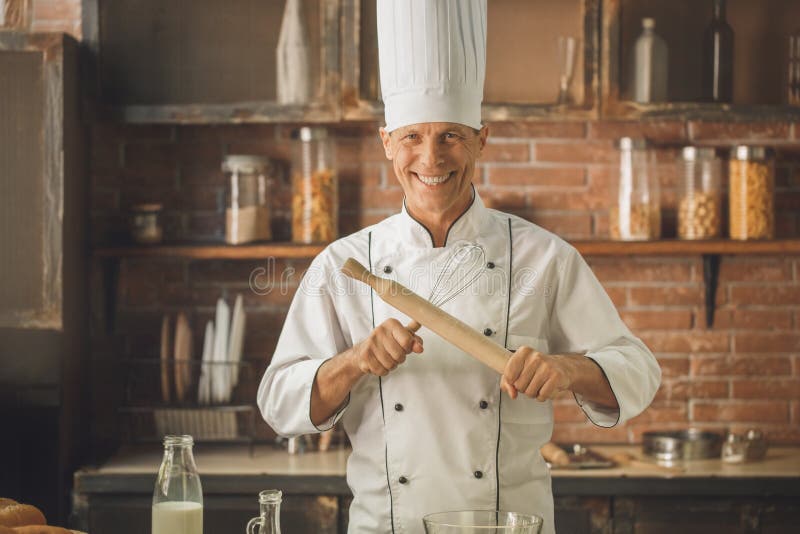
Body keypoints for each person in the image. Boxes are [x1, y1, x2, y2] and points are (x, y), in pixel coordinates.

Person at [257, 2, 661, 533]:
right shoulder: (342, 265)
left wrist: (568, 370)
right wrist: (354, 362)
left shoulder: (544, 258)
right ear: (386, 144)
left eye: (451, 134)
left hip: (508, 526)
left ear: (481, 140)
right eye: (412, 137)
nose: (432, 157)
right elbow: (278, 401)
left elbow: (639, 371)